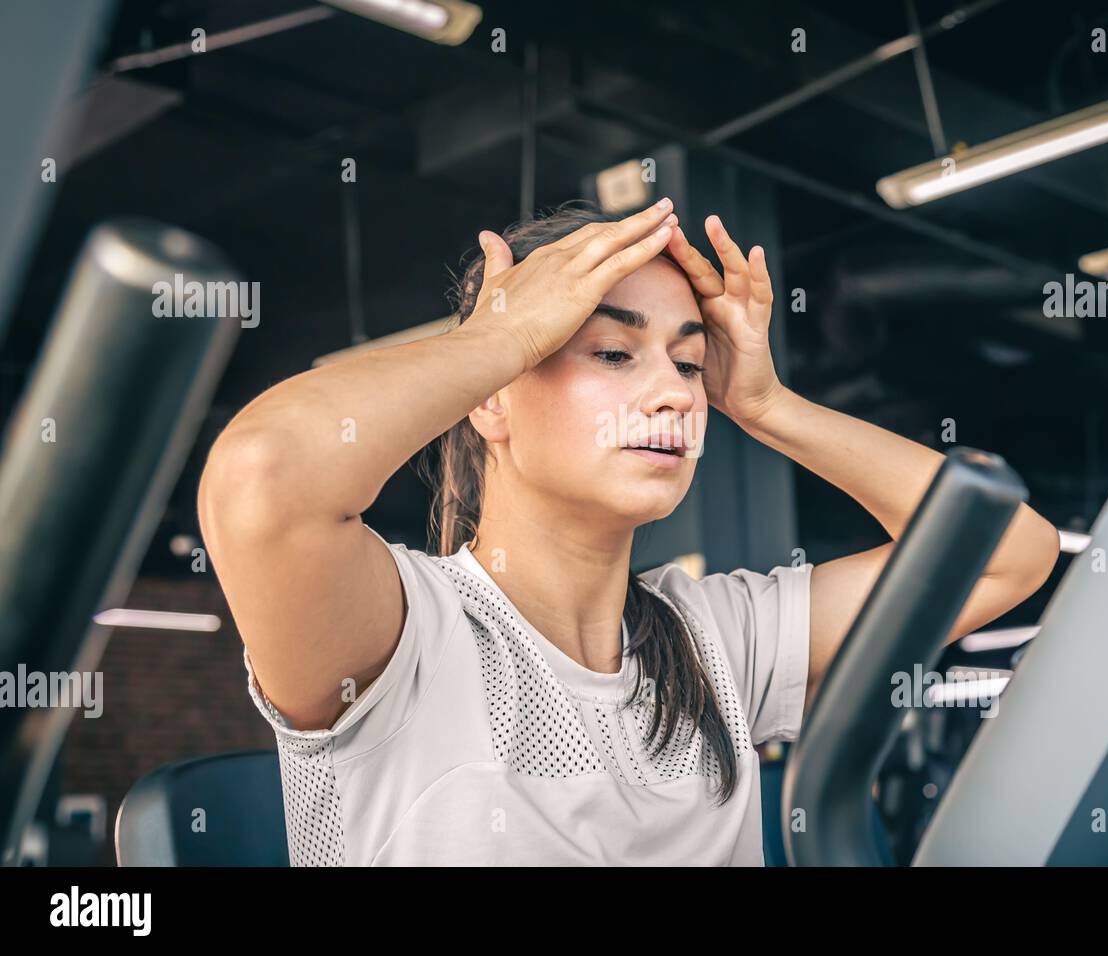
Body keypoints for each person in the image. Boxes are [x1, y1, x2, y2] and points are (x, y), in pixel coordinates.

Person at [196, 197, 1060, 865]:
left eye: (689, 363)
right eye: (612, 353)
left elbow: (1006, 551)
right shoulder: (403, 635)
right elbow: (262, 479)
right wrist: (500, 338)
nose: (677, 393)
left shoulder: (719, 637)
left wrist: (767, 404)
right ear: (492, 397)